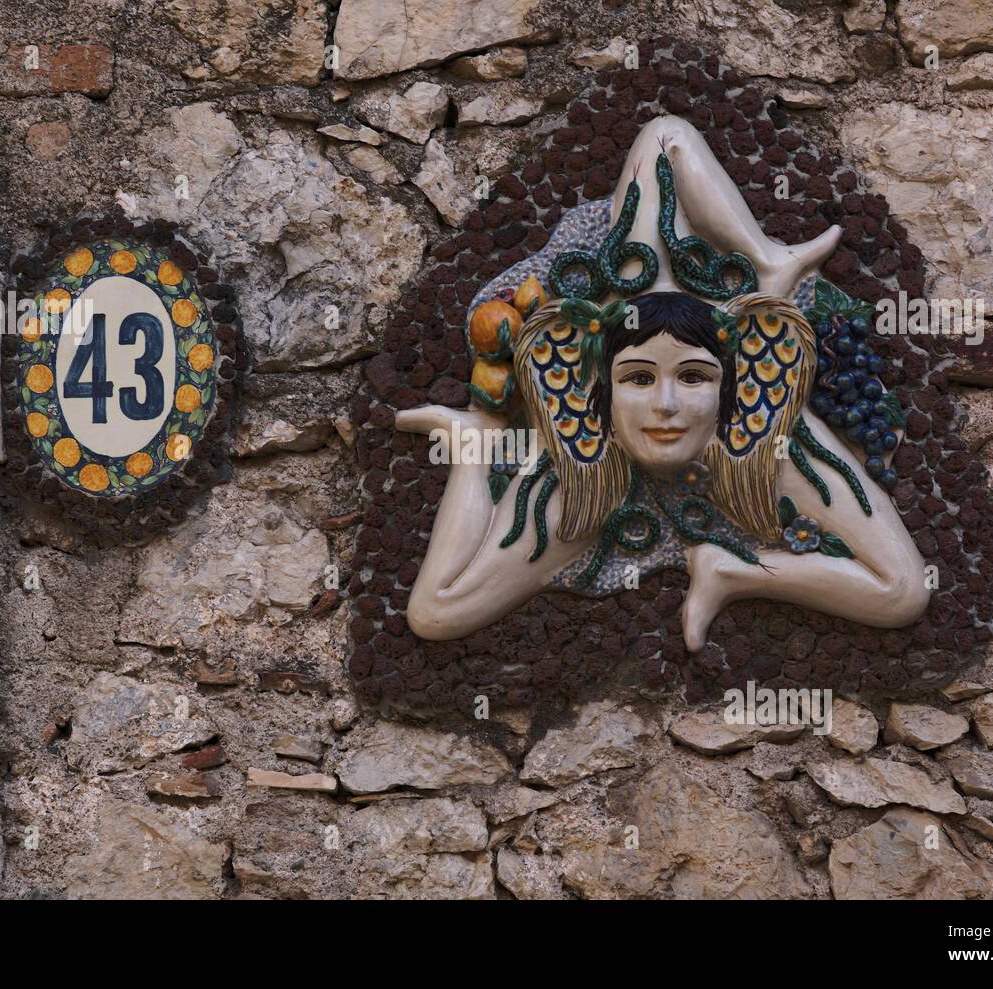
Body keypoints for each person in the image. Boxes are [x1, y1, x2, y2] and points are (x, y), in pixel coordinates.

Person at [395, 116, 928, 649]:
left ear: (737, 383)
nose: (666, 405)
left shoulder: (773, 448)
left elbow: (899, 590)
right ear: (595, 387)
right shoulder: (575, 480)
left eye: (694, 377)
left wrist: (742, 572)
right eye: (638, 379)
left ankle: (724, 570)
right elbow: (436, 612)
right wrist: (474, 450)